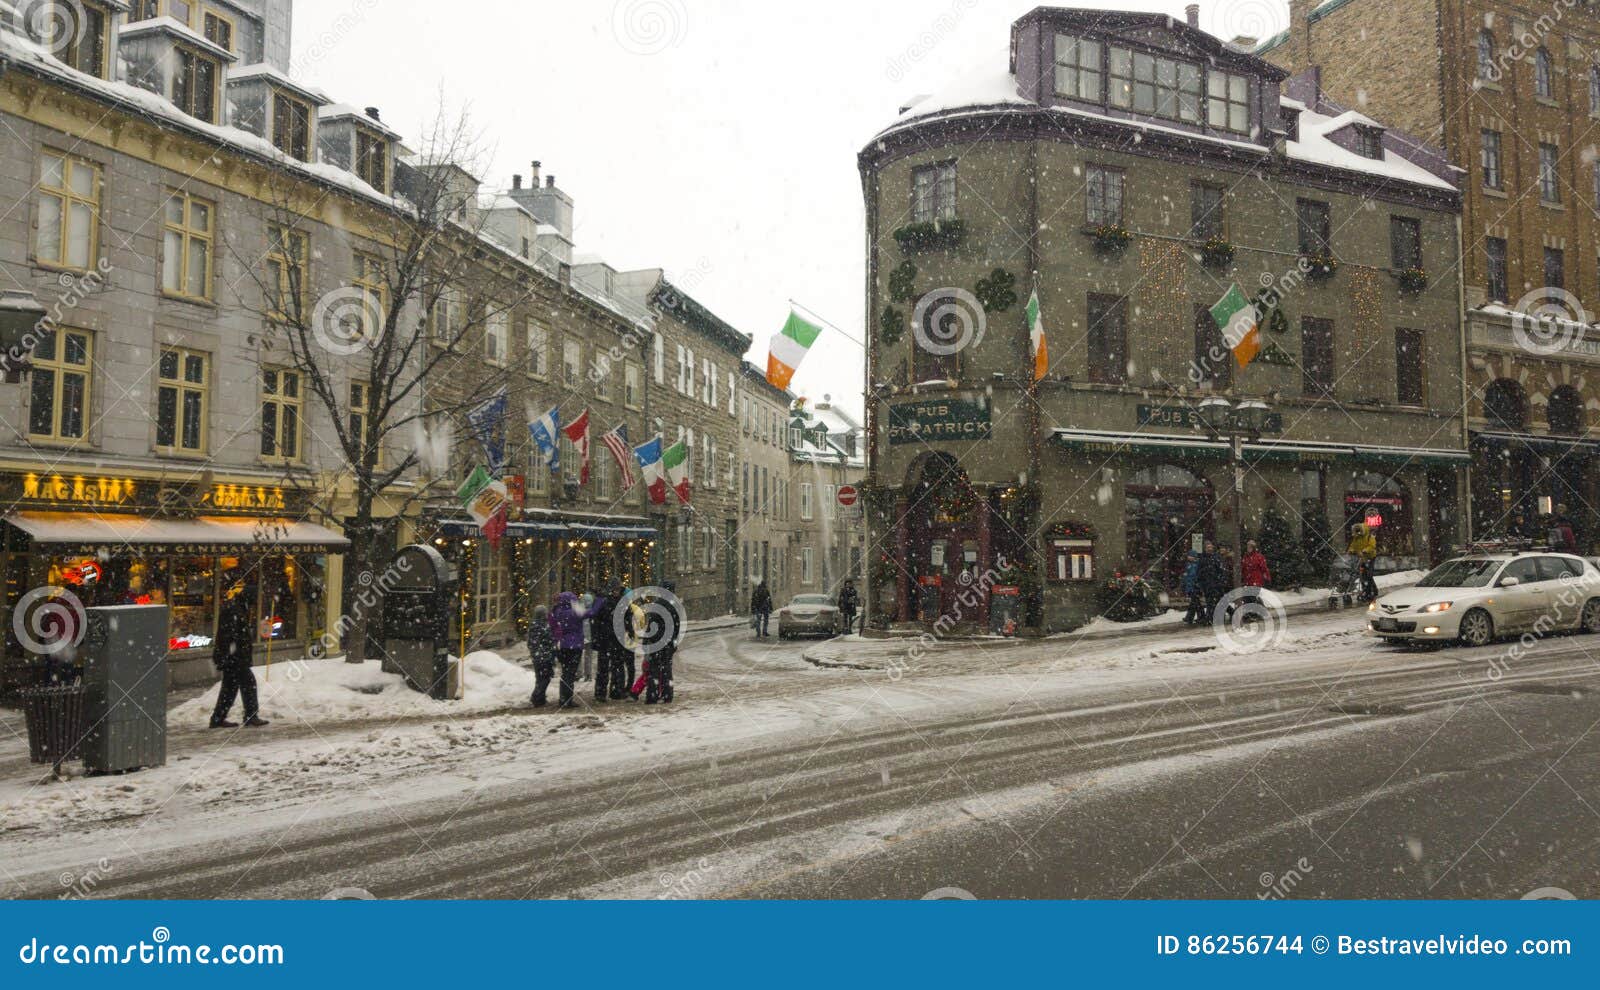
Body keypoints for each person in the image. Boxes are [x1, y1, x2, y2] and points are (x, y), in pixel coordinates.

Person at [210, 573, 268, 729]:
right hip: (234, 657)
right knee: (248, 684)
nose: (256, 603)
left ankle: (218, 718)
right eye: (255, 599)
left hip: (233, 656)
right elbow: (229, 636)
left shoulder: (237, 608)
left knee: (230, 687)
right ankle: (250, 716)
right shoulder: (234, 610)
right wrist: (232, 654)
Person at [643, 583, 683, 704]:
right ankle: (667, 694)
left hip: (657, 643)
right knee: (666, 670)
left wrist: (647, 641)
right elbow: (677, 627)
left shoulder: (658, 605)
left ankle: (652, 694)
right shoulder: (674, 606)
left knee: (653, 670)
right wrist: (673, 643)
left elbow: (651, 627)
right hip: (668, 643)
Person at [549, 591, 585, 710]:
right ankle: (567, 700)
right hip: (574, 646)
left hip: (562, 646)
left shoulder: (556, 611)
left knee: (565, 672)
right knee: (570, 673)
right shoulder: (575, 613)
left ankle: (563, 698)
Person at [527, 604, 557, 707]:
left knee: (540, 677)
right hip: (544, 656)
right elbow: (549, 640)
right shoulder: (543, 626)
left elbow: (531, 643)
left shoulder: (533, 625)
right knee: (545, 677)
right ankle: (537, 697)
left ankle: (540, 697)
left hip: (537, 657)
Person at [1197, 542, 1228, 624]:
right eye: (1208, 547)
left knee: (1218, 602)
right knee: (1210, 603)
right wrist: (1200, 583)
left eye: (1211, 547)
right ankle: (1210, 619)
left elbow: (1222, 571)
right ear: (1205, 548)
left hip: (1216, 584)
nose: (1210, 549)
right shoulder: (1202, 559)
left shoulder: (1216, 558)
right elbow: (1199, 572)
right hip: (1207, 585)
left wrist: (1221, 581)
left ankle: (1217, 618)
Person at [1348, 523, 1379, 603]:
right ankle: (1371, 590)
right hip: (1361, 558)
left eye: (1358, 531)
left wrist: (1365, 550)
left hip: (1370, 558)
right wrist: (1351, 550)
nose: (1357, 533)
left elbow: (1372, 546)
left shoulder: (1369, 537)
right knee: (1363, 575)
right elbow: (1352, 546)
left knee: (1368, 574)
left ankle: (1369, 592)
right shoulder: (1356, 538)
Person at [1181, 551, 1204, 626]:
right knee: (1194, 603)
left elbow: (1194, 576)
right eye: (1189, 556)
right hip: (1190, 586)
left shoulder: (1196, 565)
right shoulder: (1188, 564)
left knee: (1195, 603)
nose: (1189, 557)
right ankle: (1195, 617)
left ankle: (1192, 617)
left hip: (1194, 586)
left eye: (1191, 556)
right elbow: (1187, 577)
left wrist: (1196, 584)